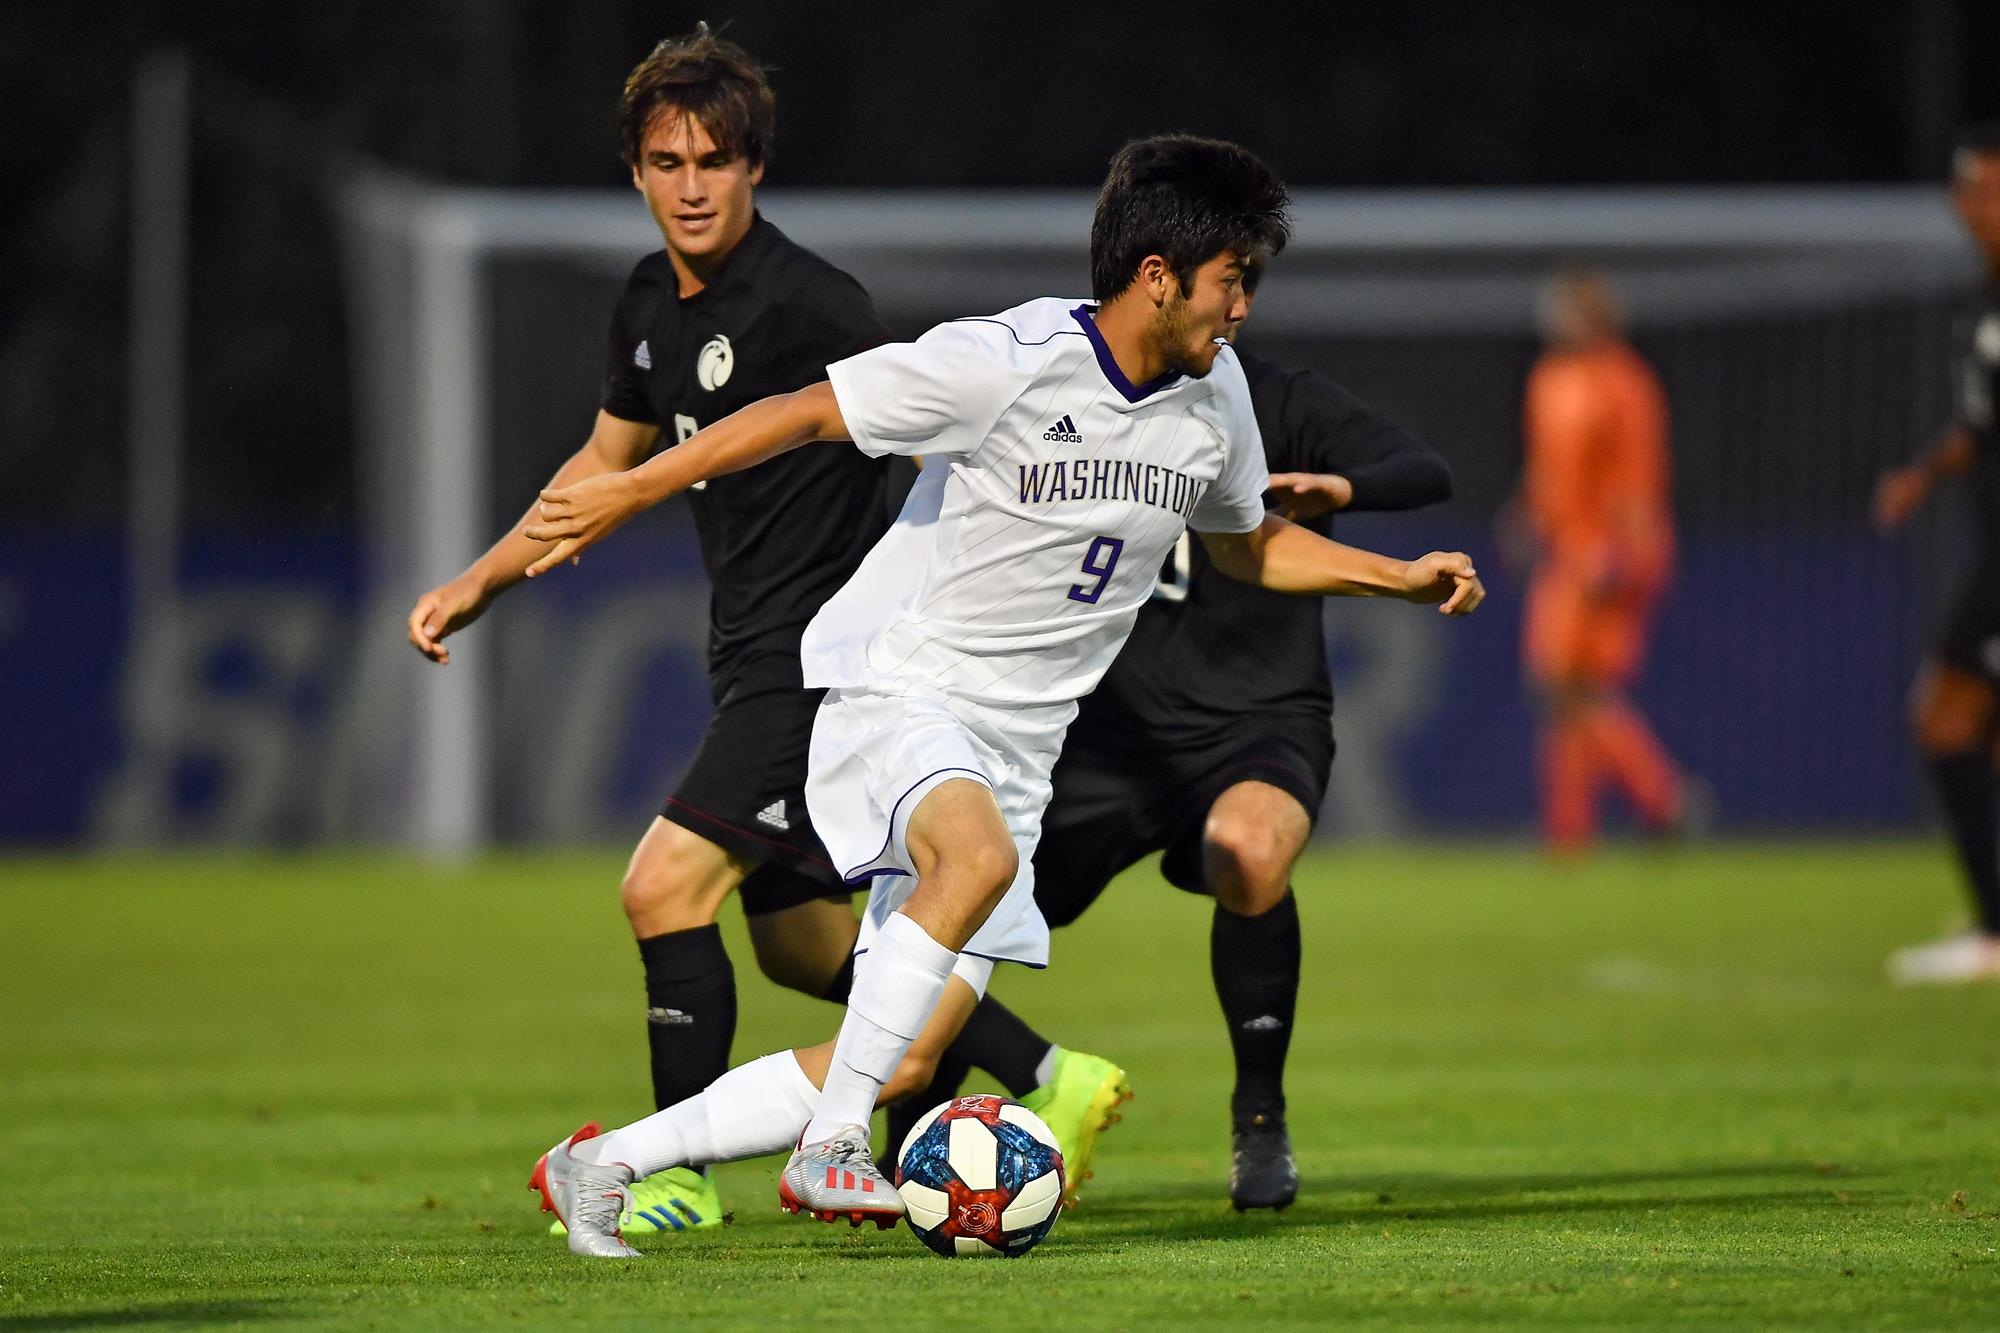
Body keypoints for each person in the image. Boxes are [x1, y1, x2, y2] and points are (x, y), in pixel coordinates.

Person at [518, 134, 1484, 1259]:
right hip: (904, 689)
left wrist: (1395, 576)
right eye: (1233, 279)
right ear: (1159, 275)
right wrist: (628, 486)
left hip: (1021, 755)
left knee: (909, 1054)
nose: (1244, 308)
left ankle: (604, 1162)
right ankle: (832, 1148)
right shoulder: (1007, 359)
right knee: (964, 871)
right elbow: (801, 412)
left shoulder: (1213, 398)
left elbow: (1243, 547)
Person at [402, 26, 920, 1236]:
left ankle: (669, 1170)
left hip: (823, 664)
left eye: (714, 160)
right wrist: (480, 581)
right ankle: (1014, 1066)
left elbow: (925, 445)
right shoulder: (647, 302)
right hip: (748, 658)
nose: (690, 185)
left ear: (755, 169)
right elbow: (602, 463)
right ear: (635, 171)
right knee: (803, 948)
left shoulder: (815, 305)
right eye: (666, 160)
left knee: (661, 886)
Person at [883, 258, 1454, 1212]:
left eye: (1245, 288)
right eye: (1221, 285)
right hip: (1106, 733)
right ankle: (917, 1113)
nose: (1232, 310)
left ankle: (1260, 1119)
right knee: (967, 898)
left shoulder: (1274, 398)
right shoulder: (1084, 398)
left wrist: (1341, 487)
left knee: (1249, 847)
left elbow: (1423, 468)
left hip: (1255, 719)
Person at [1875, 125, 2000, 985]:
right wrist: (1922, 475)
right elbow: (1979, 429)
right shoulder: (1984, 302)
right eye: (1968, 194)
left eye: (1990, 191)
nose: (1976, 209)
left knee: (1946, 720)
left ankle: (1995, 931)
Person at [1517, 267, 1687, 854]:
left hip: (1606, 553)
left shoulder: (1626, 384)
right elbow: (1548, 469)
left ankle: (1658, 798)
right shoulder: (1549, 379)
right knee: (1560, 689)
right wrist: (1527, 513)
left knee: (1578, 688)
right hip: (1564, 552)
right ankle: (1572, 830)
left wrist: (1621, 553)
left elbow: (1639, 478)